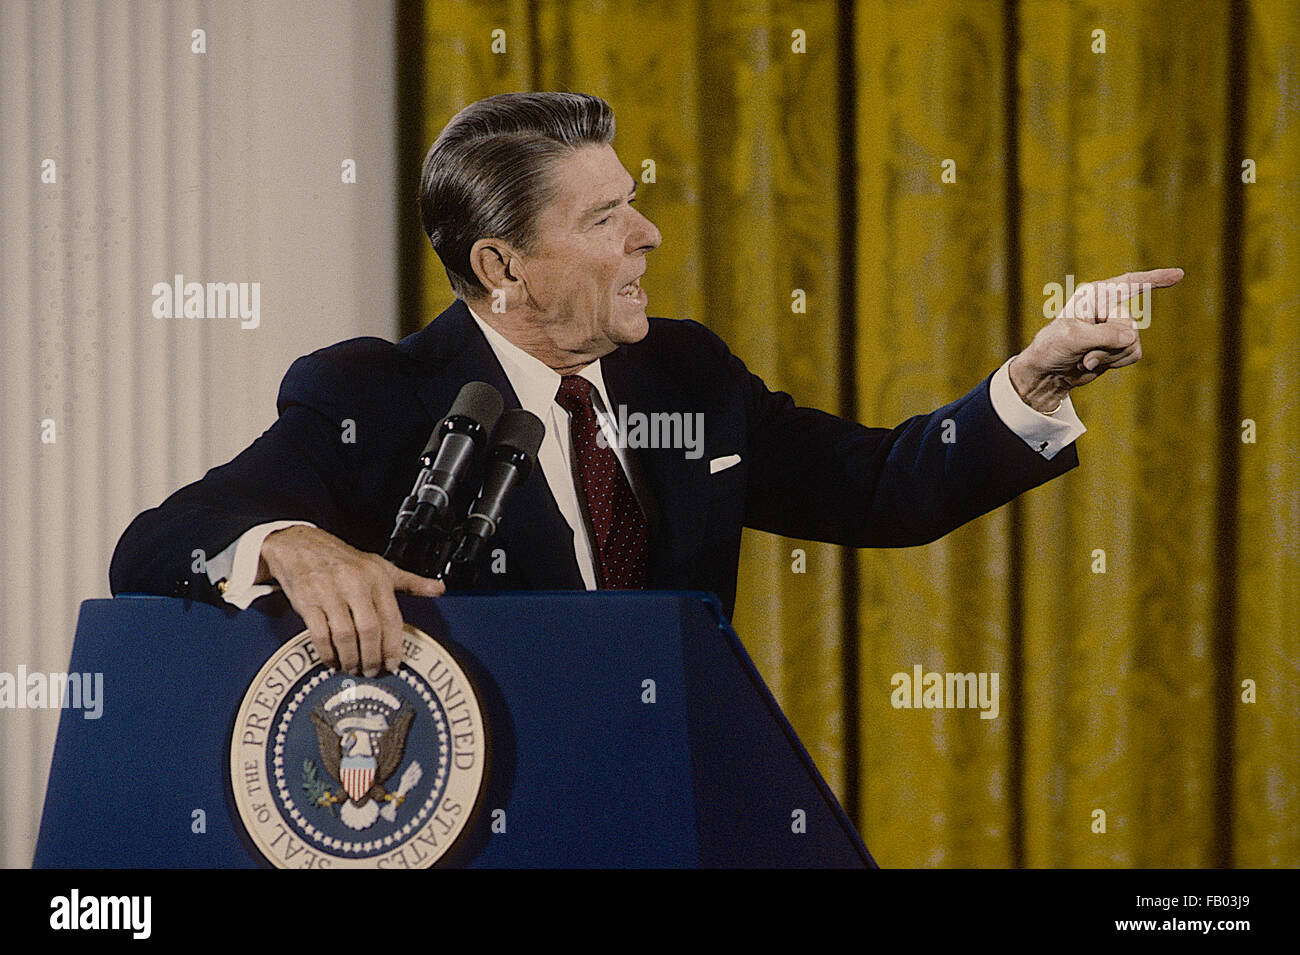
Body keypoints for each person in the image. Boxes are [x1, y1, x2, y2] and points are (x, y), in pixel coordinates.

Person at [109, 91, 1183, 679]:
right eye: (603, 218)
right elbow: (158, 544)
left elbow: (878, 488)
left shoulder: (687, 372)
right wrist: (292, 544)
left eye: (632, 200)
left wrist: (1032, 380)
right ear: (501, 265)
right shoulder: (374, 395)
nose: (648, 234)